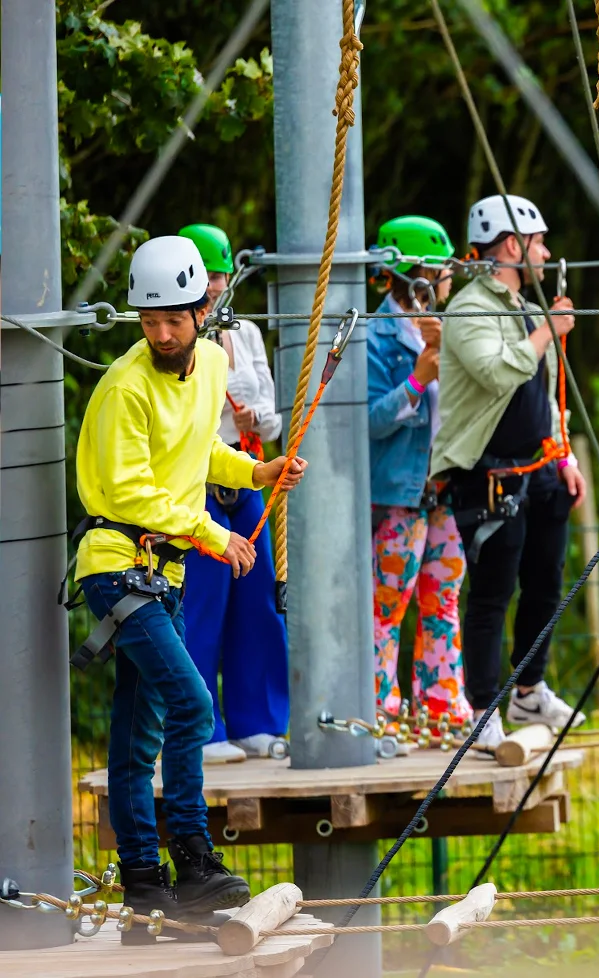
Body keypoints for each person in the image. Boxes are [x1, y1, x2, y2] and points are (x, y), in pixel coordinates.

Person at [70, 236, 307, 936]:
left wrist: (257, 474)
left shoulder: (210, 364)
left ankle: (145, 881)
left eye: (174, 318)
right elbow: (135, 492)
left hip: (162, 571)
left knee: (137, 735)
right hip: (116, 565)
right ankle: (194, 860)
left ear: (202, 308)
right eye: (150, 321)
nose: (163, 333)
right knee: (193, 703)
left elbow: (200, 449)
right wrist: (212, 533)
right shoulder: (124, 385)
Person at [431, 194, 586, 748]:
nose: (545, 251)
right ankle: (483, 709)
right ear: (512, 246)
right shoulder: (471, 308)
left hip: (538, 464)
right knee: (492, 593)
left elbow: (541, 394)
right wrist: (546, 331)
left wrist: (563, 454)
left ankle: (529, 689)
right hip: (487, 472)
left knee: (546, 579)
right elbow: (497, 373)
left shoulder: (525, 307)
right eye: (538, 241)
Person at [177, 223, 290, 764]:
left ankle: (259, 721)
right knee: (201, 604)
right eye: (209, 277)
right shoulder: (174, 335)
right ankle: (201, 728)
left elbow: (269, 420)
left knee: (258, 599)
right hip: (199, 481)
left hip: (244, 473)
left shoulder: (241, 331)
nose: (218, 287)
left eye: (223, 275)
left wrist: (253, 410)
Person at [368, 215, 472, 726]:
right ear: (416, 274)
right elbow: (367, 421)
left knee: (442, 599)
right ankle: (378, 711)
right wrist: (416, 380)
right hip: (397, 496)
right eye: (441, 268)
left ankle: (441, 706)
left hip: (445, 488)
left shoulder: (448, 330)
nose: (449, 277)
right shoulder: (373, 336)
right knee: (386, 606)